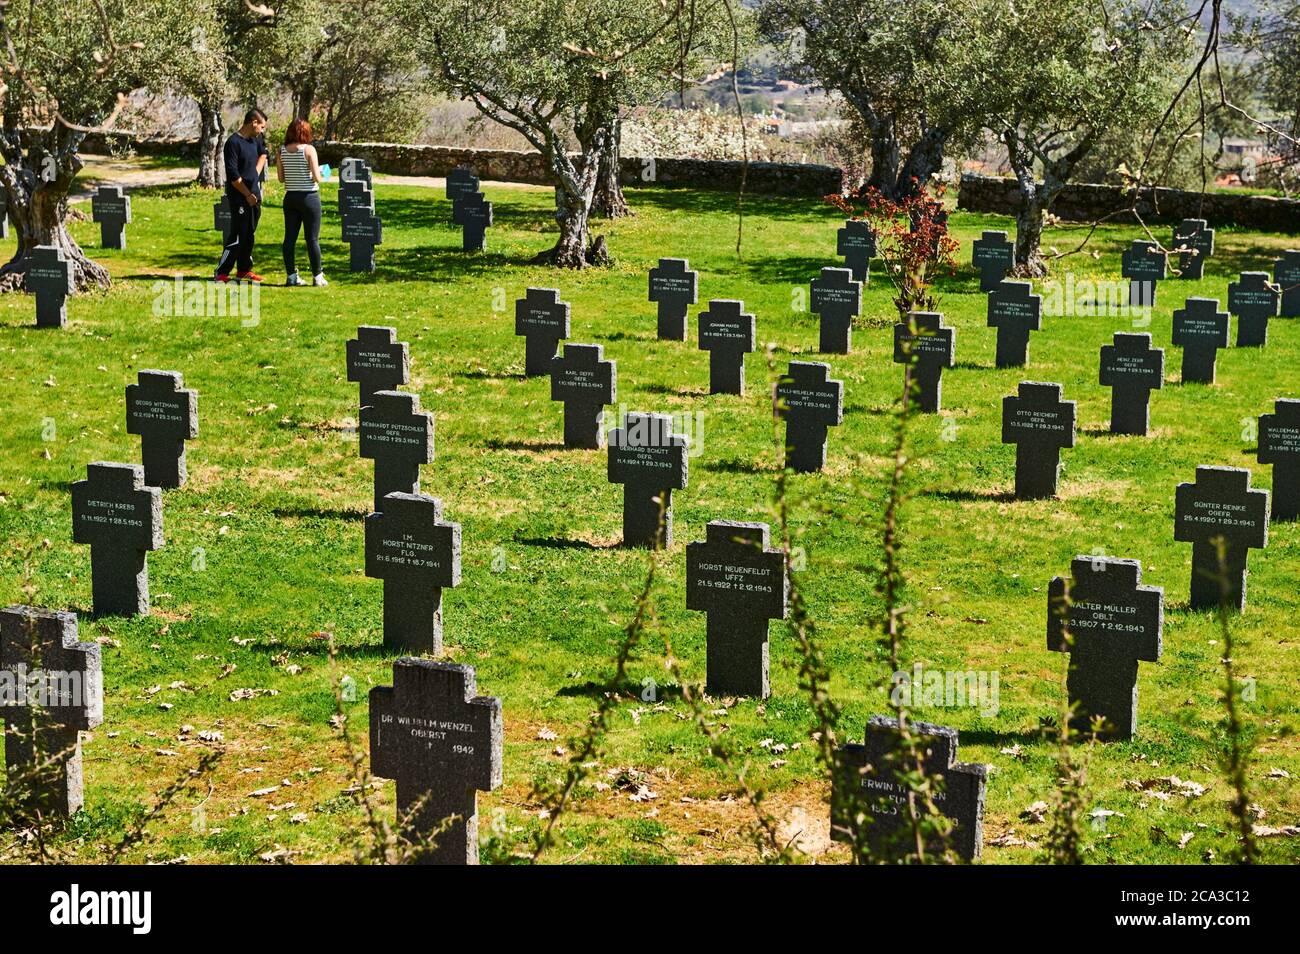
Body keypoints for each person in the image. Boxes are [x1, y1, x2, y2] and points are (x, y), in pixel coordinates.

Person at [215, 109, 269, 283]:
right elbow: (233, 176)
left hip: (254, 195)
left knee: (249, 235)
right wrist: (247, 194)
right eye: (261, 126)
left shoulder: (255, 140)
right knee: (238, 235)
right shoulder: (233, 143)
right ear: (253, 122)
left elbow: (263, 154)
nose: (262, 130)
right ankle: (222, 271)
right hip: (240, 196)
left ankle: (243, 270)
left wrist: (255, 171)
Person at [277, 118, 327, 286]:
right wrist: (322, 173)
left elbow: (281, 178)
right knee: (312, 238)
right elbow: (317, 178)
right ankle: (317, 276)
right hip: (309, 198)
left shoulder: (281, 151)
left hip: (290, 198)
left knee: (289, 239)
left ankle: (291, 276)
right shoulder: (309, 150)